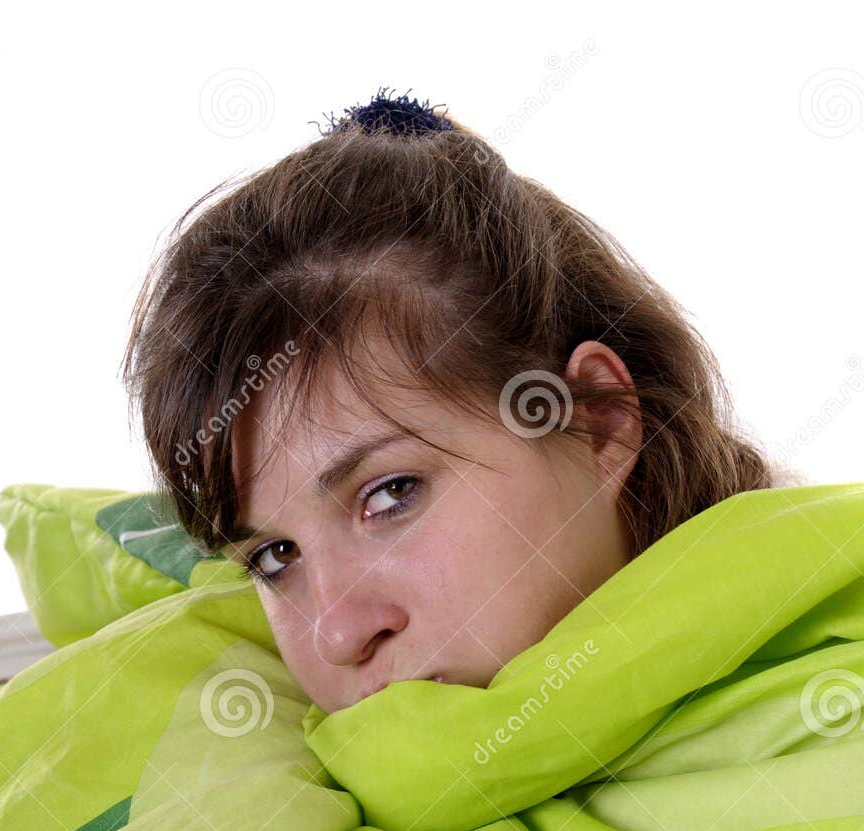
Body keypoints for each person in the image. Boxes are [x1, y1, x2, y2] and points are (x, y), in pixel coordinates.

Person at [125, 89, 792, 713]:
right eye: (277, 556)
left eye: (390, 494)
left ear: (597, 419)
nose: (339, 633)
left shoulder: (860, 707)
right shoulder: (280, 794)